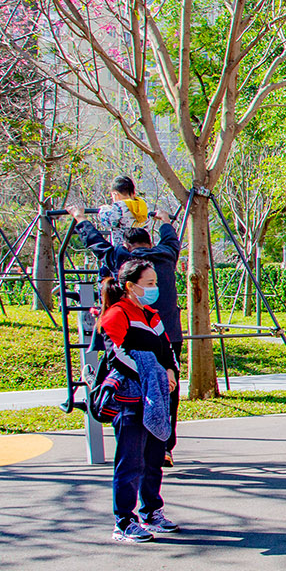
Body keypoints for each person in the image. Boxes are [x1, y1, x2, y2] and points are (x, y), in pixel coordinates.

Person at [71, 205, 182, 464]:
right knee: (168, 388)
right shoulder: (166, 255)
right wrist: (165, 219)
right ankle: (164, 444)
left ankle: (135, 438)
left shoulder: (125, 262)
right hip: (167, 337)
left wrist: (80, 218)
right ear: (150, 242)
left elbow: (98, 244)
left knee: (127, 383)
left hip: (133, 336)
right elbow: (171, 238)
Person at [98, 259, 180, 542]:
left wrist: (169, 370)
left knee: (153, 459)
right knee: (130, 460)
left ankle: (151, 512)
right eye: (149, 284)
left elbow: (167, 349)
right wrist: (151, 374)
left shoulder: (151, 315)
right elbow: (115, 355)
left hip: (155, 398)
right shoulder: (116, 314)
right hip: (130, 397)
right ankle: (123, 520)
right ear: (131, 286)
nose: (155, 288)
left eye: (155, 283)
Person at [96, 176, 149, 249]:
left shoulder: (119, 206)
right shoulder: (144, 204)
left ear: (115, 194)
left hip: (124, 248)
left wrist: (104, 210)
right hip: (143, 247)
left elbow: (107, 222)